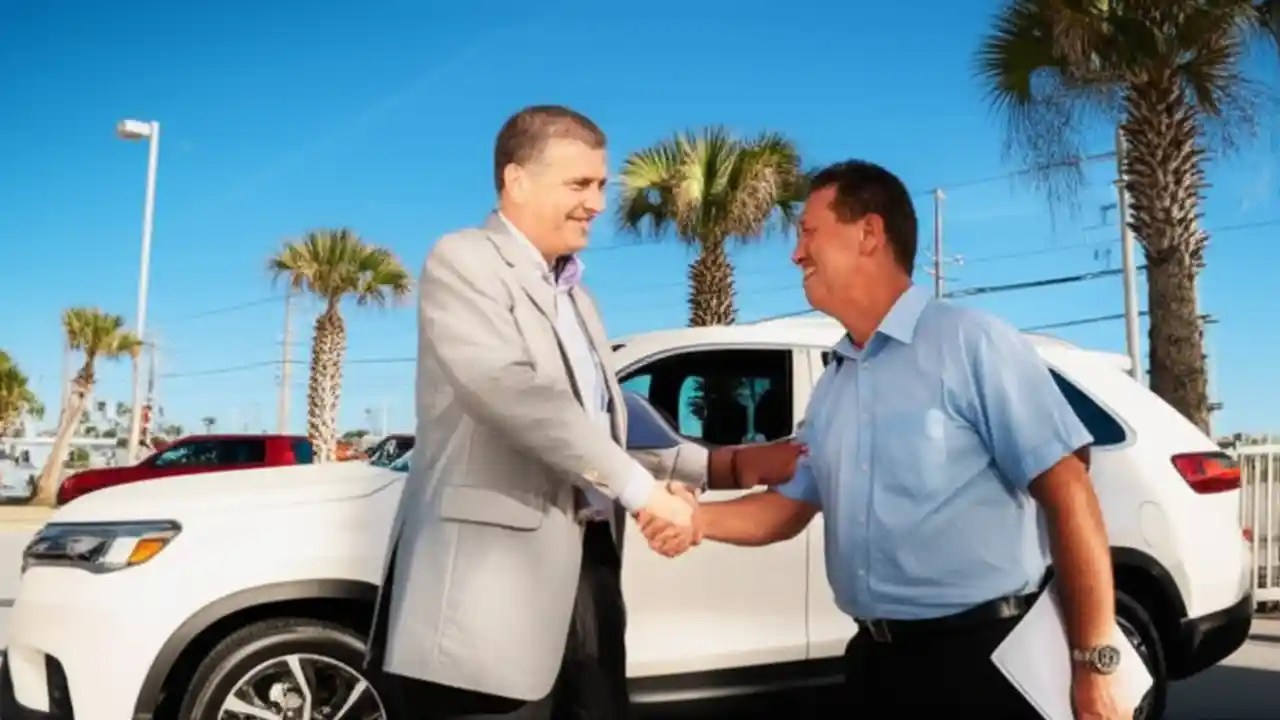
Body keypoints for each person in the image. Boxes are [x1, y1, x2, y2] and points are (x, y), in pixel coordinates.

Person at [640, 159, 1128, 719]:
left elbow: (1070, 493)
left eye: (808, 232)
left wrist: (1095, 666)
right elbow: (789, 507)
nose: (796, 253)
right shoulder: (834, 385)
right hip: (876, 664)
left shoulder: (970, 343)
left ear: (868, 234)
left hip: (981, 663)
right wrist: (695, 520)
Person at [365, 104, 804, 720]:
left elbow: (601, 426)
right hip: (487, 602)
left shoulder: (580, 299)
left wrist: (729, 465)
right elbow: (511, 393)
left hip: (590, 576)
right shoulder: (464, 259)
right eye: (580, 184)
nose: (597, 203)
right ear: (517, 181)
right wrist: (647, 496)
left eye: (600, 185)